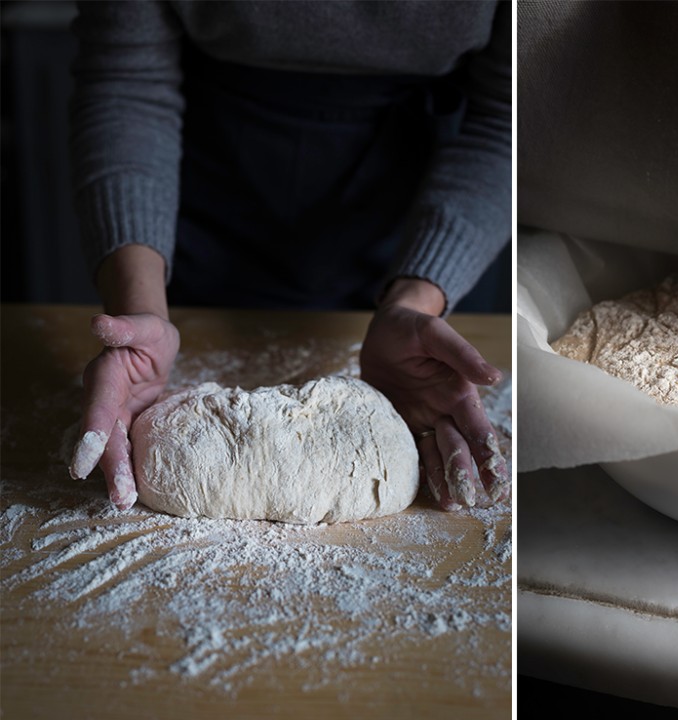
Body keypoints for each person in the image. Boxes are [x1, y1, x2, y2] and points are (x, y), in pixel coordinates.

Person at [65, 1, 512, 513]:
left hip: (405, 204)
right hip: (203, 190)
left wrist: (418, 299)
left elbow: (507, 114)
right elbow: (125, 83)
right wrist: (139, 308)